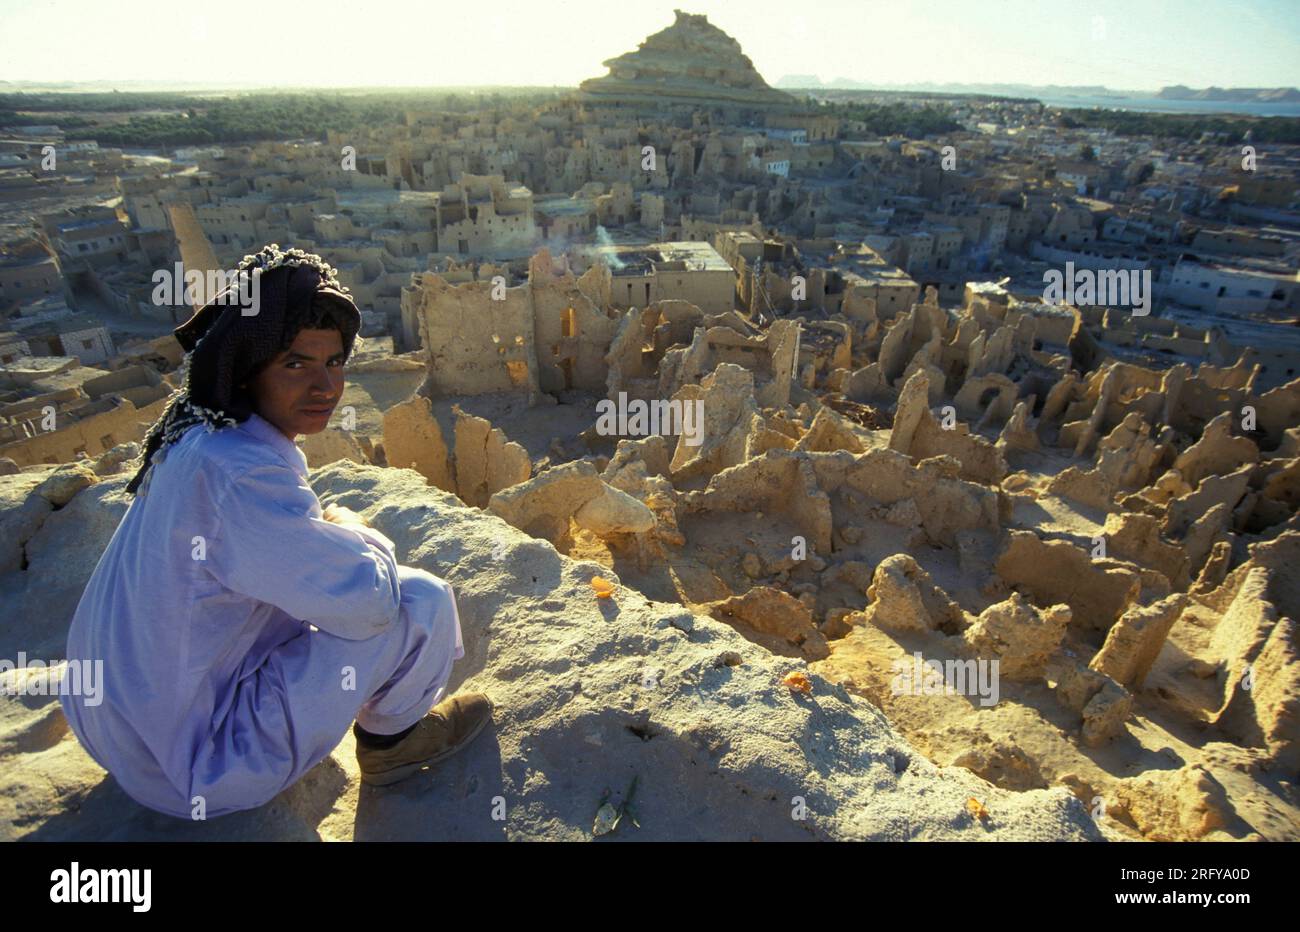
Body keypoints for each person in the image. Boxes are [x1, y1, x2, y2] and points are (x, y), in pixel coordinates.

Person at [60, 244, 492, 820]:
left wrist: (330, 537)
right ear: (246, 366)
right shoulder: (241, 476)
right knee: (421, 601)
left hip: (115, 728)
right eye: (295, 364)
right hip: (194, 765)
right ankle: (394, 747)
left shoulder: (200, 435)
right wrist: (357, 529)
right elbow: (367, 603)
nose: (325, 387)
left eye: (333, 362)